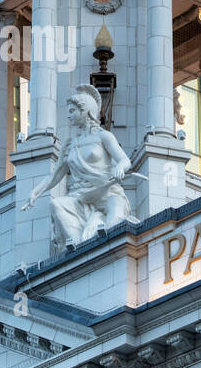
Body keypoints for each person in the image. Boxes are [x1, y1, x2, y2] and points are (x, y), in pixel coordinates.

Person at [23, 86, 135, 248]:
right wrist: (35, 192)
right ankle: (80, 250)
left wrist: (120, 168)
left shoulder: (103, 136)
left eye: (72, 111)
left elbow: (125, 160)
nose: (68, 116)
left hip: (107, 193)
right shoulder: (70, 145)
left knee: (115, 214)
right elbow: (55, 175)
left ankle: (105, 246)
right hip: (80, 197)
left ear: (86, 111)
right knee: (57, 204)